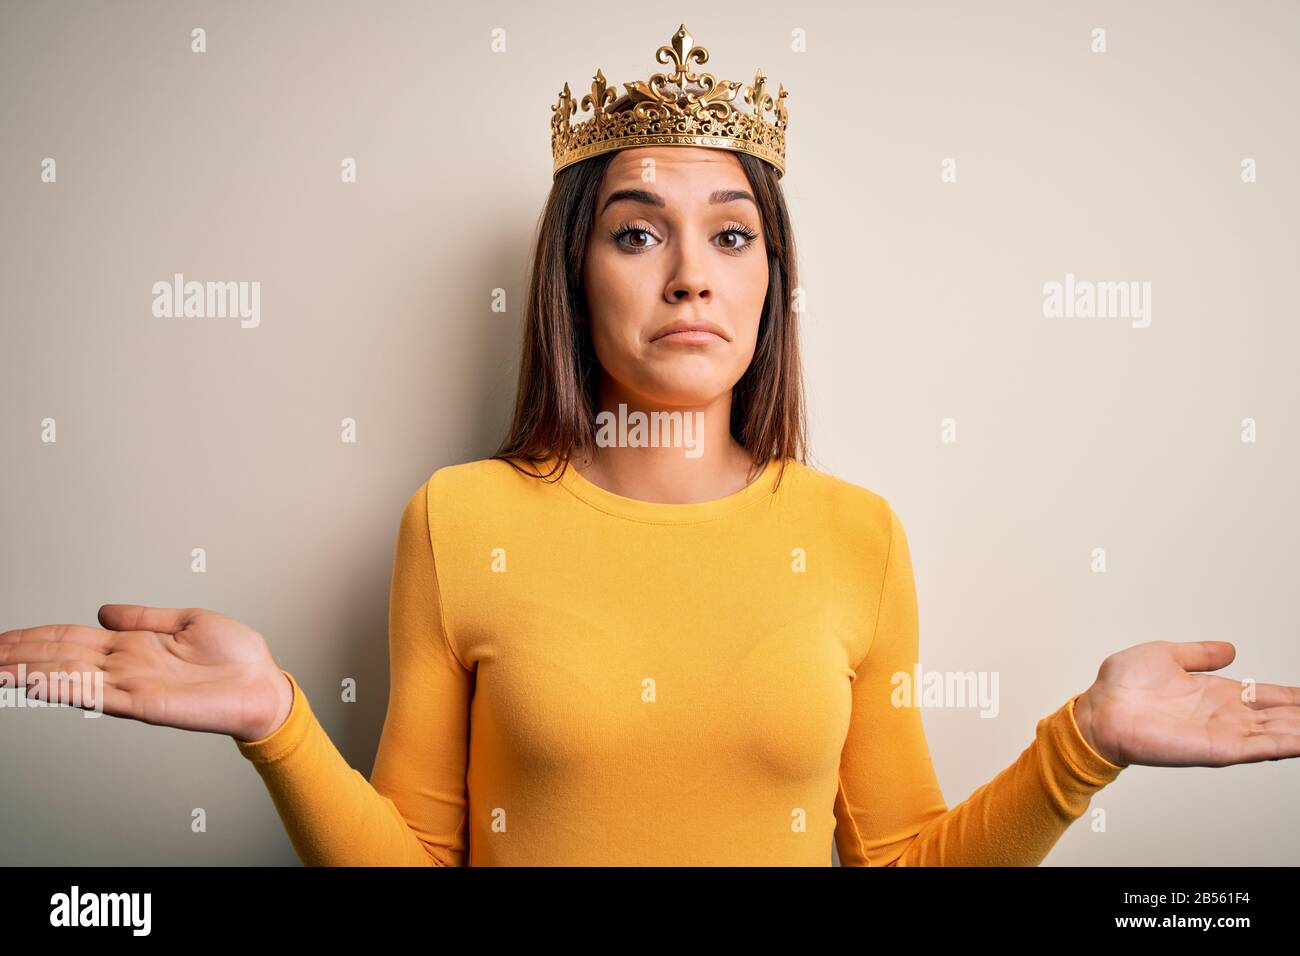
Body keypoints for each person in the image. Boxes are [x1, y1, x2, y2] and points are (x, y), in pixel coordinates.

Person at [3, 24, 1298, 867]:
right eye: (637, 231)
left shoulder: (857, 535)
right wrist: (276, 724)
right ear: (574, 276)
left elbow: (902, 861)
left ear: (772, 282)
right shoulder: (458, 522)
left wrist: (1090, 742)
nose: (690, 275)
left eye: (732, 235)